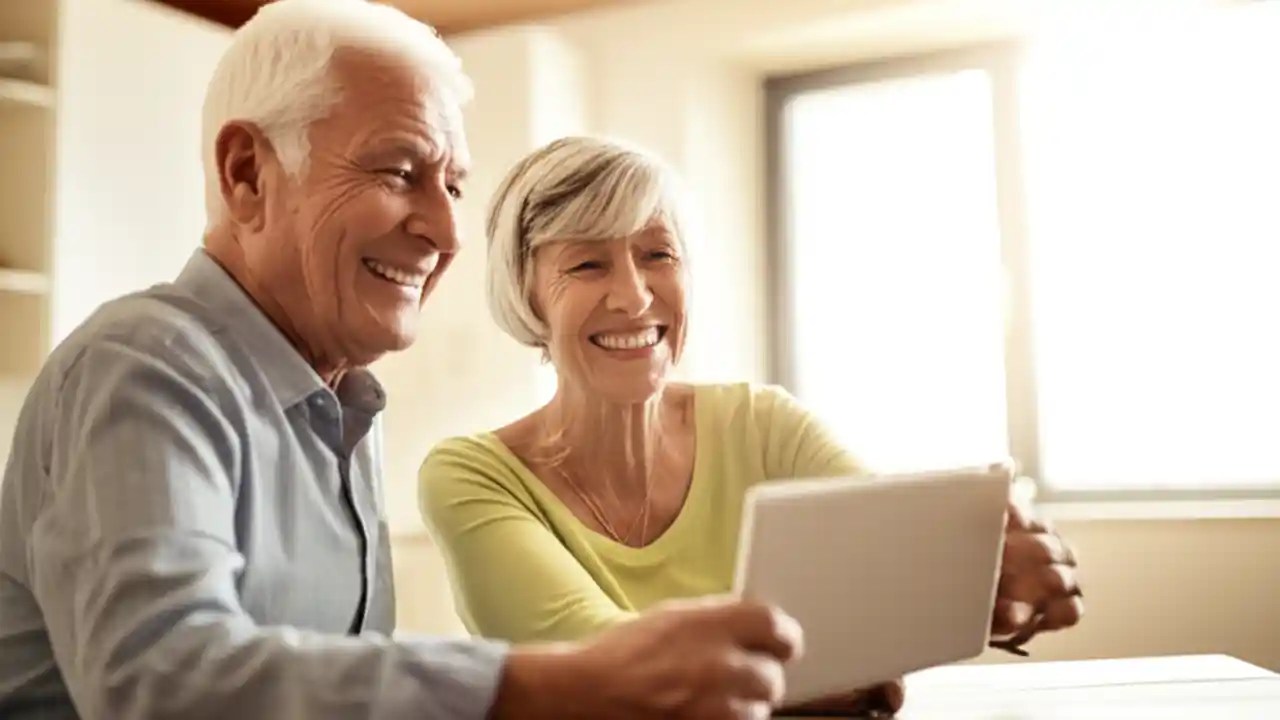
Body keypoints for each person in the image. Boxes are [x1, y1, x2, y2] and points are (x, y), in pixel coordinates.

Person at [0, 2, 807, 719]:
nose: (448, 232)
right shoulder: (146, 362)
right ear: (248, 175)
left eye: (452, 185)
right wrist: (558, 685)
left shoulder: (344, 405)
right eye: (398, 172)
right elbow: (161, 680)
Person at [418, 136, 1086, 714]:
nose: (634, 295)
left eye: (657, 254)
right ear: (525, 292)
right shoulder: (470, 475)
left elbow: (892, 578)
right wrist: (827, 676)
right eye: (588, 263)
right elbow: (608, 669)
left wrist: (984, 580)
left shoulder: (763, 425)